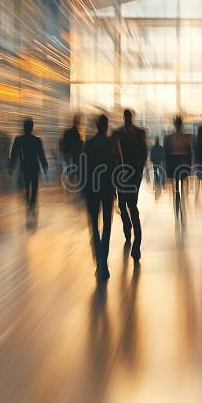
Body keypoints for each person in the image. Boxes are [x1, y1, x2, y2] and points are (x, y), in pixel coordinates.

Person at [83, 114, 122, 279]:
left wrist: (83, 189)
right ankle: (103, 261)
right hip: (107, 189)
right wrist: (116, 188)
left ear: (96, 126)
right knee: (107, 225)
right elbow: (118, 166)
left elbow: (83, 167)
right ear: (106, 127)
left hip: (92, 189)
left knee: (94, 225)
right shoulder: (111, 144)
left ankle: (98, 259)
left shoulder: (89, 144)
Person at [113, 109, 147, 260]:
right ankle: (130, 230)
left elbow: (143, 153)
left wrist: (138, 171)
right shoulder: (119, 133)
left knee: (130, 204)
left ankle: (135, 237)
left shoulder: (136, 133)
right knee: (123, 204)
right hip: (123, 174)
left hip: (132, 175)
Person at [8, 118, 48, 228]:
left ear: (24, 127)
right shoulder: (37, 140)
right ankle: (32, 205)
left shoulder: (19, 140)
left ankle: (29, 205)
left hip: (24, 168)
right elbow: (41, 155)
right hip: (34, 168)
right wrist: (45, 167)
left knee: (26, 189)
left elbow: (14, 155)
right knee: (34, 190)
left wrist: (11, 167)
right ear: (32, 127)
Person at [164, 116, 193, 222]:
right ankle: (180, 202)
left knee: (177, 186)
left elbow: (167, 154)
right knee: (180, 185)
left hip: (174, 162)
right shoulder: (187, 137)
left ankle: (178, 202)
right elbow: (189, 153)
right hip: (182, 162)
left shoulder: (169, 138)